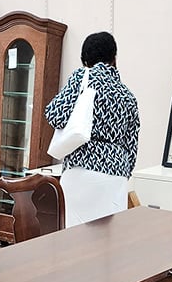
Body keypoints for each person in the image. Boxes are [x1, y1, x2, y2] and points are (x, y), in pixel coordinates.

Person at [45, 31, 140, 226]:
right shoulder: (128, 95)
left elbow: (55, 115)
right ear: (114, 57)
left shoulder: (82, 77)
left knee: (76, 238)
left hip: (81, 171)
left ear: (85, 60)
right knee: (109, 241)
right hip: (115, 176)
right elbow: (132, 148)